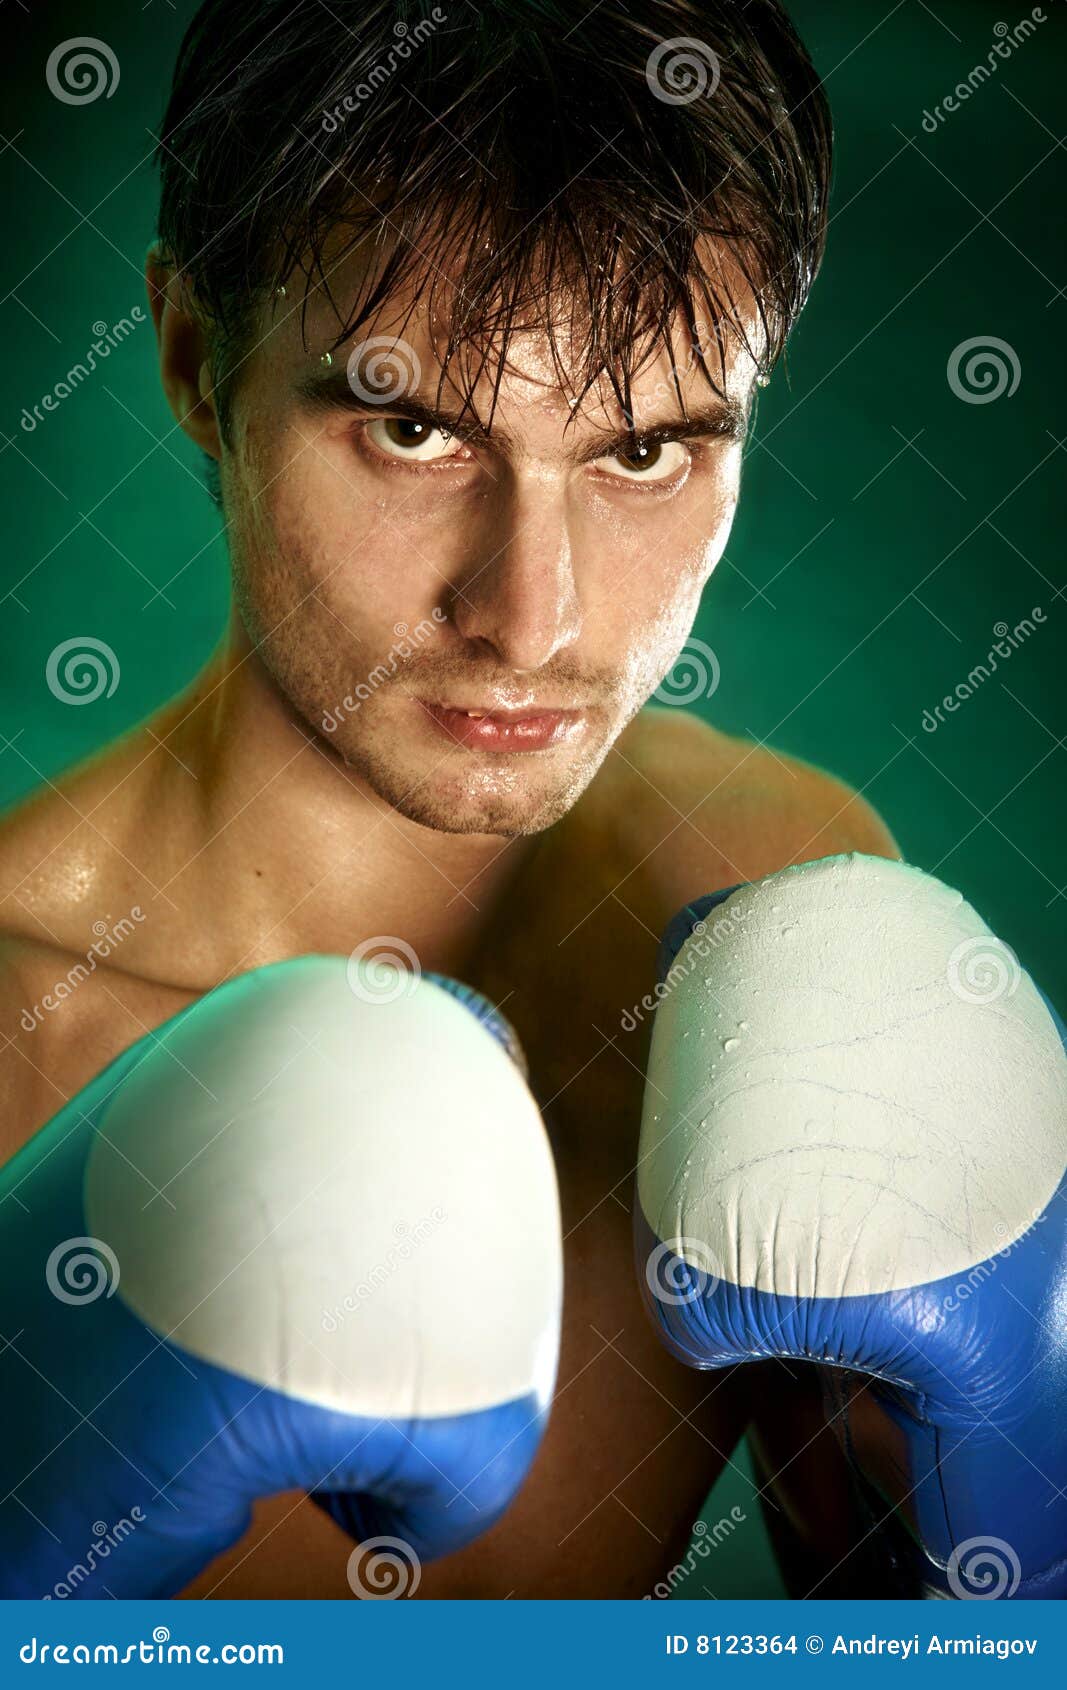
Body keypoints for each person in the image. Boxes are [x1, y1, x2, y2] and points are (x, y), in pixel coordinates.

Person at [0, 0, 899, 1597]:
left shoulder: (764, 902)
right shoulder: (21, 1043)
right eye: (413, 430)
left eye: (644, 455)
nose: (533, 618)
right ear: (199, 363)